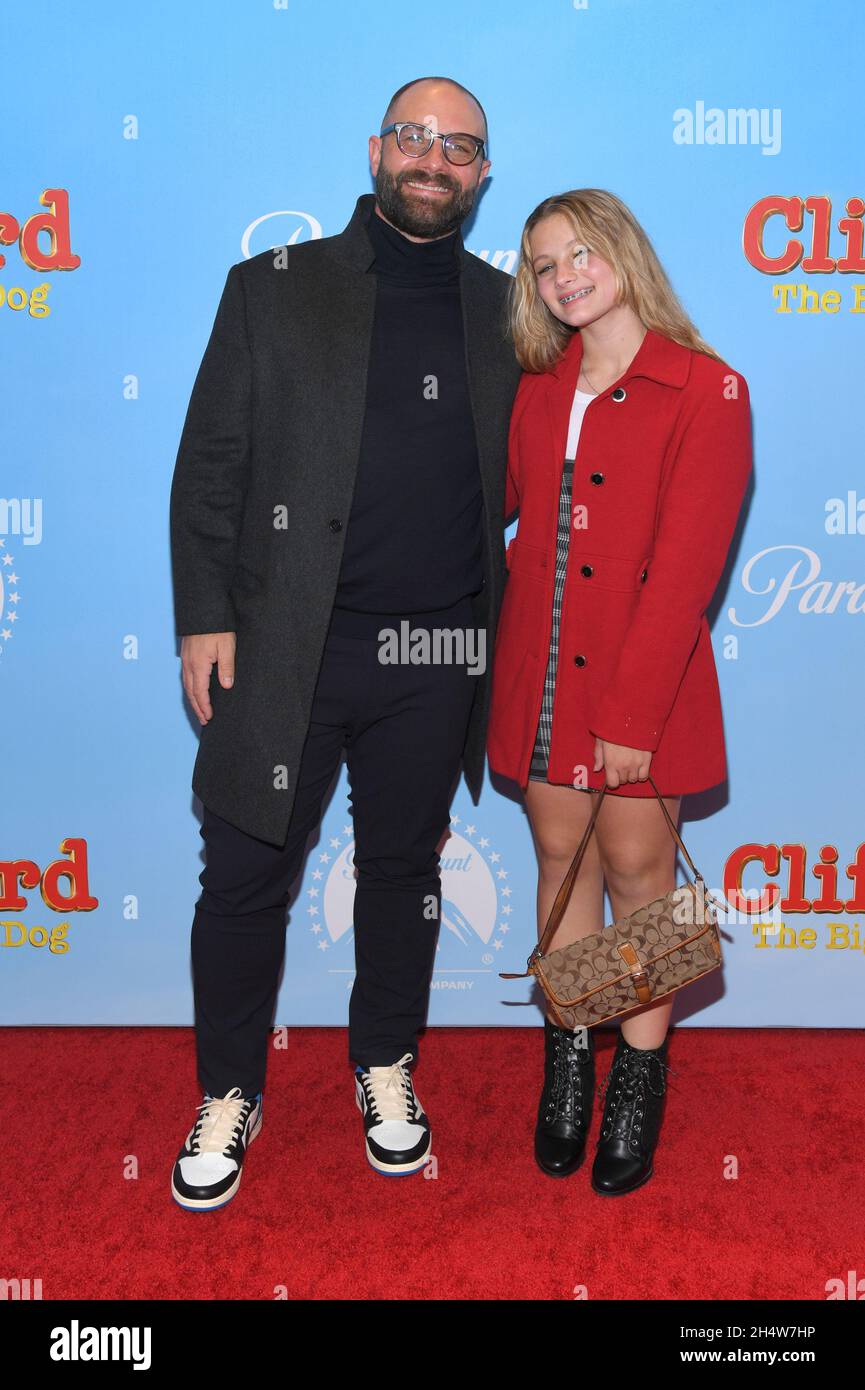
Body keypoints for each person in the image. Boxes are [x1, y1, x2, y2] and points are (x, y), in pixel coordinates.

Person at [168, 77, 521, 1209]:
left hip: (435, 658)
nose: (433, 160)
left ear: (479, 175)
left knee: (406, 873)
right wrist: (204, 616)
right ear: (376, 151)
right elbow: (210, 466)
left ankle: (384, 1066)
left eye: (458, 147)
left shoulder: (507, 309)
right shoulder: (272, 289)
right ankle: (229, 1088)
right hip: (284, 648)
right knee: (242, 880)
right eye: (415, 138)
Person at [486, 189, 753, 1195]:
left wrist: (633, 718)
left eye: (581, 252)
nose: (563, 275)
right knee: (561, 864)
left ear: (624, 254)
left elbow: (687, 569)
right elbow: (494, 506)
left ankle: (636, 1076)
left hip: (646, 680)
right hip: (541, 668)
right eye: (544, 263)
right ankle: (568, 1062)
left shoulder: (705, 388)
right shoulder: (536, 386)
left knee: (642, 876)